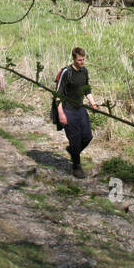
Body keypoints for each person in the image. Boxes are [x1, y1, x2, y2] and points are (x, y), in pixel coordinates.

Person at [55, 47, 99, 178]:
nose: (82, 62)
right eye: (79, 60)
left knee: (87, 137)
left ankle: (73, 151)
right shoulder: (66, 73)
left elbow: (86, 89)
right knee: (75, 139)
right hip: (68, 110)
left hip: (80, 108)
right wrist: (61, 113)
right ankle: (76, 167)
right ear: (74, 59)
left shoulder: (84, 71)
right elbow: (57, 95)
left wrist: (93, 103)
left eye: (83, 59)